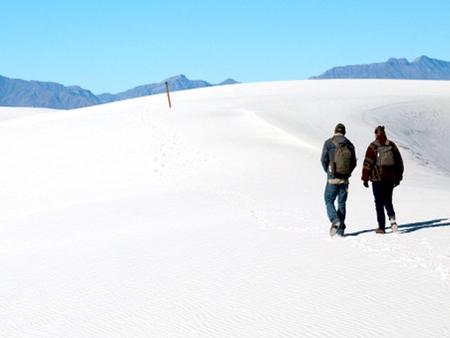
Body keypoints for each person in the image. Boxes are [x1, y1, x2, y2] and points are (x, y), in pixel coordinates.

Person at [362, 126, 404, 234]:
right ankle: (392, 219)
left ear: (376, 134)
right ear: (384, 133)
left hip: (377, 178)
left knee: (379, 202)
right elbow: (399, 162)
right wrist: (398, 177)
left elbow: (368, 162)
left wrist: (365, 178)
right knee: (388, 200)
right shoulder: (391, 145)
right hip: (390, 178)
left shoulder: (373, 146)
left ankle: (381, 227)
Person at [321, 123, 357, 237]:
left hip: (332, 178)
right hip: (345, 179)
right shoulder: (350, 144)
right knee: (342, 203)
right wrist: (348, 173)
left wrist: (329, 172)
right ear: (344, 132)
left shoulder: (328, 143)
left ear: (335, 131)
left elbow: (323, 160)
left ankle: (334, 219)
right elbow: (354, 162)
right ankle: (341, 230)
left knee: (328, 200)